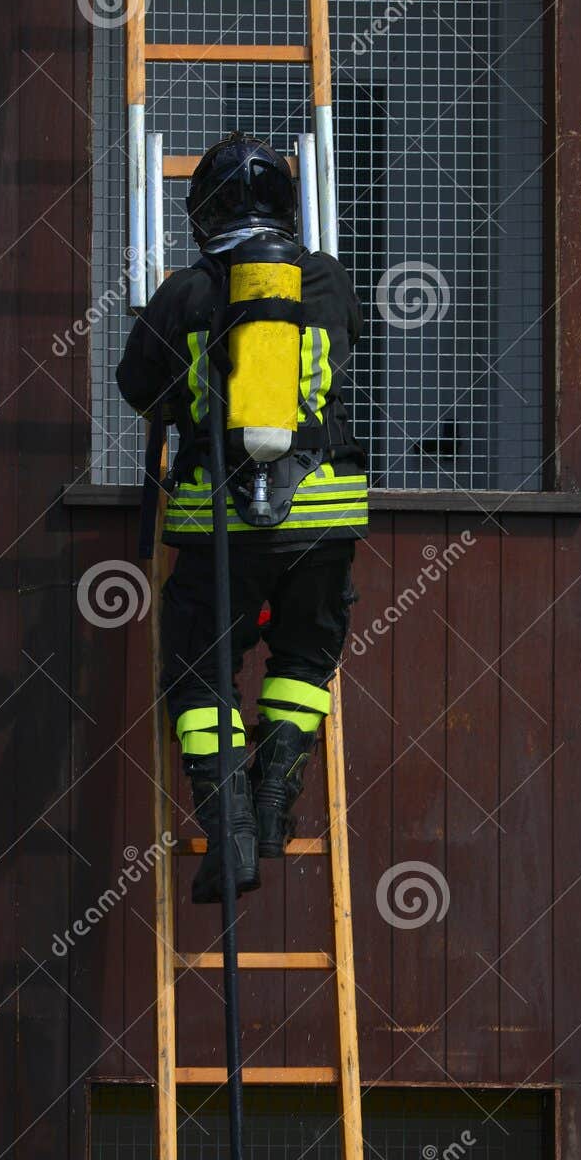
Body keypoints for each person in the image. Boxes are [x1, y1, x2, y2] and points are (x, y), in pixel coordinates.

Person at [116, 133, 368, 902]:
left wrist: (194, 414)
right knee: (303, 659)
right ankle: (271, 804)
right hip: (324, 515)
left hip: (215, 522)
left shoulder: (186, 291)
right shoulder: (328, 281)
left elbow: (137, 386)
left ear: (201, 213)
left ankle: (225, 834)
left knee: (199, 673)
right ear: (289, 206)